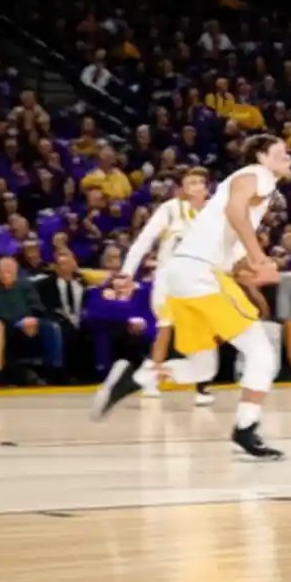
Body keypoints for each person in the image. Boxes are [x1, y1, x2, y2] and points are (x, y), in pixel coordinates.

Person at [90, 134, 291, 462]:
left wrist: (250, 268)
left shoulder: (240, 193)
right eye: (282, 154)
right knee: (260, 352)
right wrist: (260, 259)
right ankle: (246, 427)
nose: (290, 160)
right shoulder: (258, 176)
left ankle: (134, 378)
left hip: (181, 276)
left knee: (201, 367)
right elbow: (235, 211)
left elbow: (233, 250)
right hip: (199, 274)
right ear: (261, 156)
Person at [115, 166, 215, 406]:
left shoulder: (214, 213)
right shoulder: (170, 210)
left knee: (204, 333)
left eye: (200, 182)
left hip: (201, 278)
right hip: (169, 278)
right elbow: (143, 241)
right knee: (165, 328)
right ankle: (152, 379)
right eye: (190, 182)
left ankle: (202, 386)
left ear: (207, 187)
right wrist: (127, 272)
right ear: (182, 188)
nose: (195, 186)